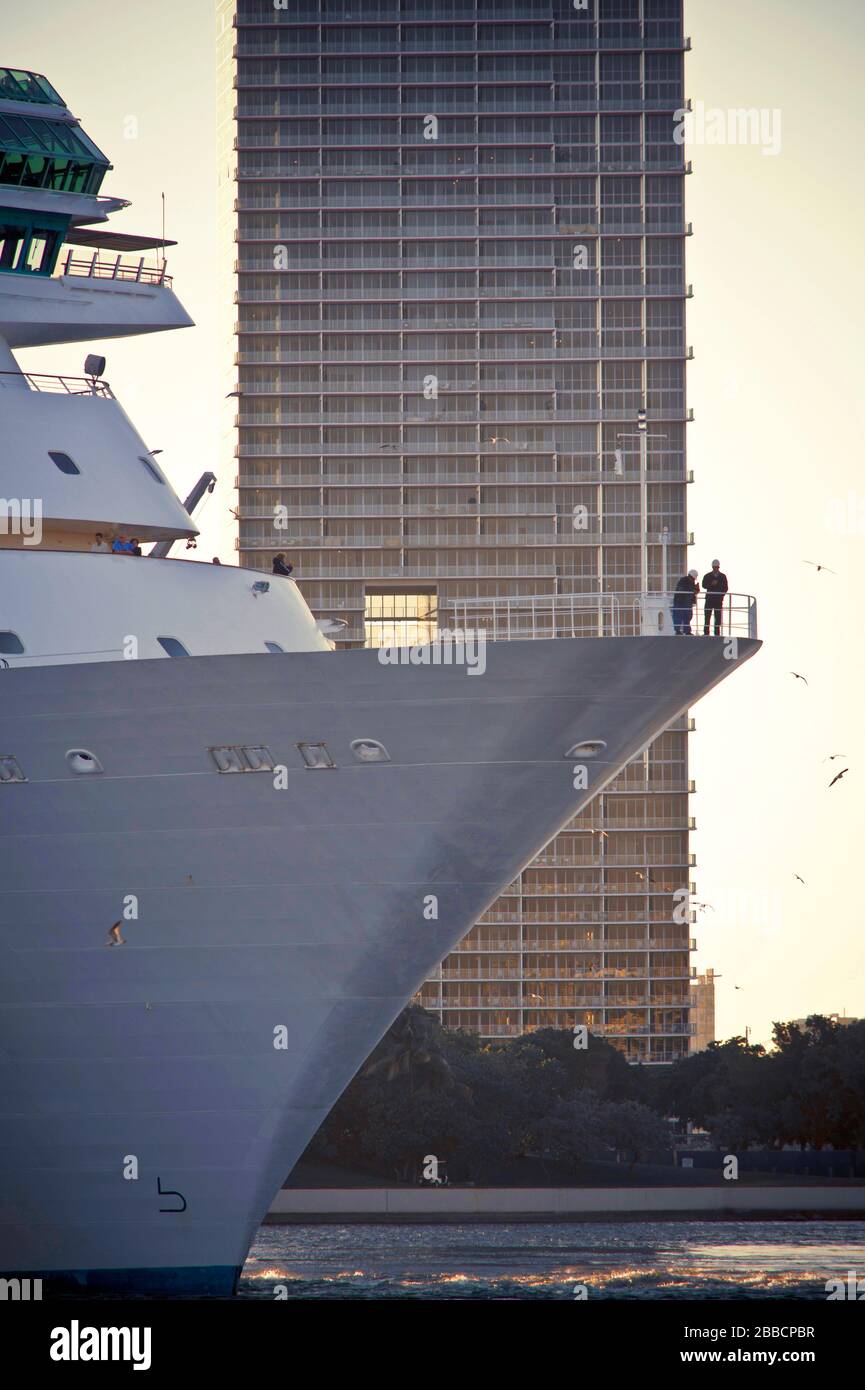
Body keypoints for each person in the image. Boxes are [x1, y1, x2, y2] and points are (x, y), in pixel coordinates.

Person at [702, 558, 728, 635]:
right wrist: (711, 584)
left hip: (718, 600)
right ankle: (706, 633)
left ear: (718, 567)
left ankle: (717, 633)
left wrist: (721, 595)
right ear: (712, 567)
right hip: (709, 599)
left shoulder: (723, 576)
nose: (715, 569)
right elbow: (703, 585)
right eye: (714, 567)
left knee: (718, 617)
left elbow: (725, 588)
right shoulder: (707, 576)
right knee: (707, 616)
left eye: (716, 567)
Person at [671, 569, 699, 635]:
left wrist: (695, 590)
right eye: (694, 578)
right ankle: (678, 631)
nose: (694, 580)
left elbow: (691, 591)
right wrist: (693, 590)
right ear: (692, 577)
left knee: (687, 617)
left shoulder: (689, 582)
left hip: (686, 603)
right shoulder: (683, 581)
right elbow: (683, 590)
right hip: (680, 602)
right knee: (679, 617)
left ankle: (686, 631)